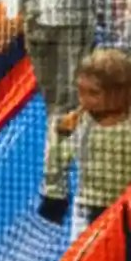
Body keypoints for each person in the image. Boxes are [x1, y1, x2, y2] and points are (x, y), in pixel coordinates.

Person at [38, 48, 131, 241]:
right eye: (80, 92)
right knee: (84, 250)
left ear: (119, 94)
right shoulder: (79, 123)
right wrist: (54, 193)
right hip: (89, 206)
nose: (84, 100)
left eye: (93, 93)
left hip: (125, 205)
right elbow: (58, 157)